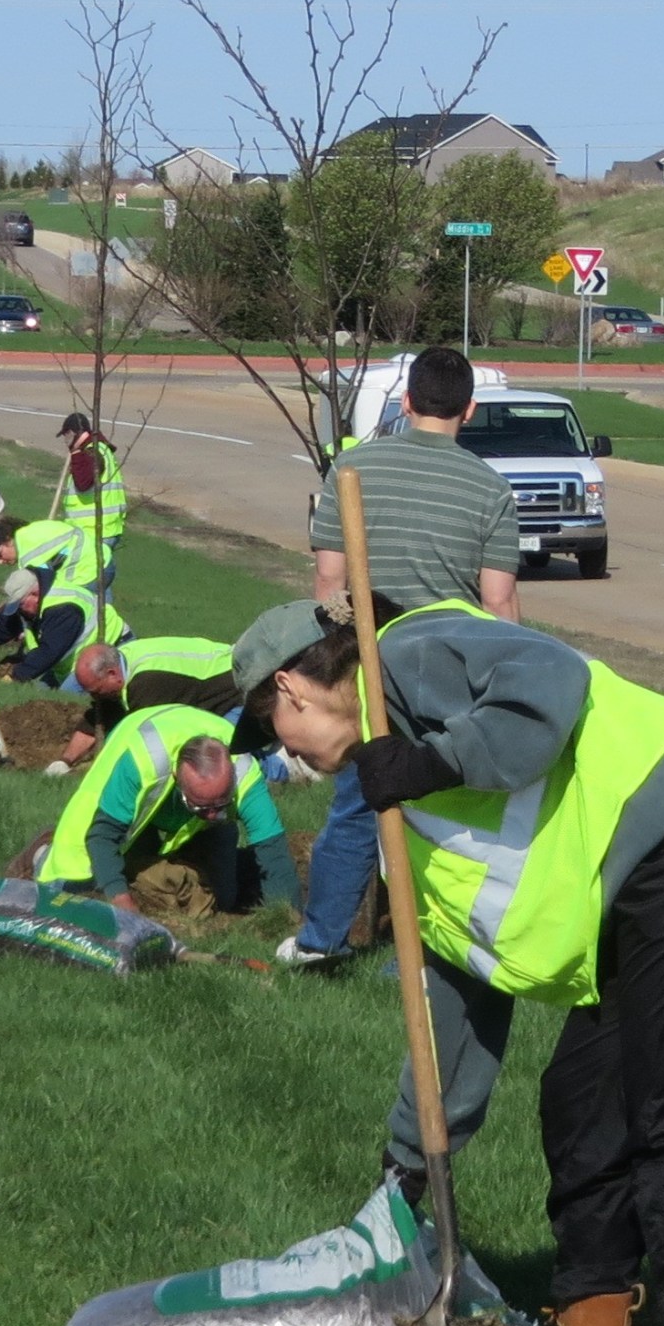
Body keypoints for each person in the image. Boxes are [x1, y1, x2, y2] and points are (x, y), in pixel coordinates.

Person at [231, 591, 664, 1326]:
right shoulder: (405, 815)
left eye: (276, 729)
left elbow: (549, 679)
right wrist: (410, 1161)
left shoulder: (407, 656)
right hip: (636, 883)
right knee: (581, 1105)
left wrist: (427, 763)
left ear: (292, 689)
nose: (290, 757)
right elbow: (460, 990)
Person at [286, 345, 524, 969]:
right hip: (451, 668)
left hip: (374, 662)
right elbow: (499, 602)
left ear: (407, 401)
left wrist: (333, 668)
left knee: (360, 806)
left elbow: (327, 586)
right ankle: (426, 956)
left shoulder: (352, 470)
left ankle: (322, 943)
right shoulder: (491, 489)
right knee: (444, 815)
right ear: (469, 409)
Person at [34, 705, 299, 917]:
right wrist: (120, 898)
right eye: (201, 805)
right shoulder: (141, 761)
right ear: (176, 777)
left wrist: (289, 917)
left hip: (186, 793)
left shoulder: (246, 775)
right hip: (138, 763)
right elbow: (102, 835)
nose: (211, 814)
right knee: (84, 877)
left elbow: (274, 854)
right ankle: (42, 851)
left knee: (225, 900)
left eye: (221, 804)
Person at [45, 636, 240, 775]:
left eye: (96, 691)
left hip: (235, 688)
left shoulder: (145, 684)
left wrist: (98, 769)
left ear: (112, 674)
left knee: (233, 762)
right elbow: (100, 716)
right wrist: (65, 761)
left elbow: (138, 738)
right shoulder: (123, 661)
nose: (93, 696)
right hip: (214, 688)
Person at [0, 565, 130, 688]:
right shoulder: (29, 605)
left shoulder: (63, 609)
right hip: (74, 661)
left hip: (107, 656)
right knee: (40, 694)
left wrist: (16, 676)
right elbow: (1, 628)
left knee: (65, 700)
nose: (19, 609)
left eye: (20, 604)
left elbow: (49, 651)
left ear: (35, 594)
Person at [56, 412, 126, 580]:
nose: (65, 441)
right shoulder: (101, 448)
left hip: (95, 529)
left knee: (93, 581)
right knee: (98, 579)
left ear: (72, 433)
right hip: (105, 527)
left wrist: (76, 454)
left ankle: (100, 607)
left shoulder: (89, 453)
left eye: (65, 435)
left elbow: (83, 483)